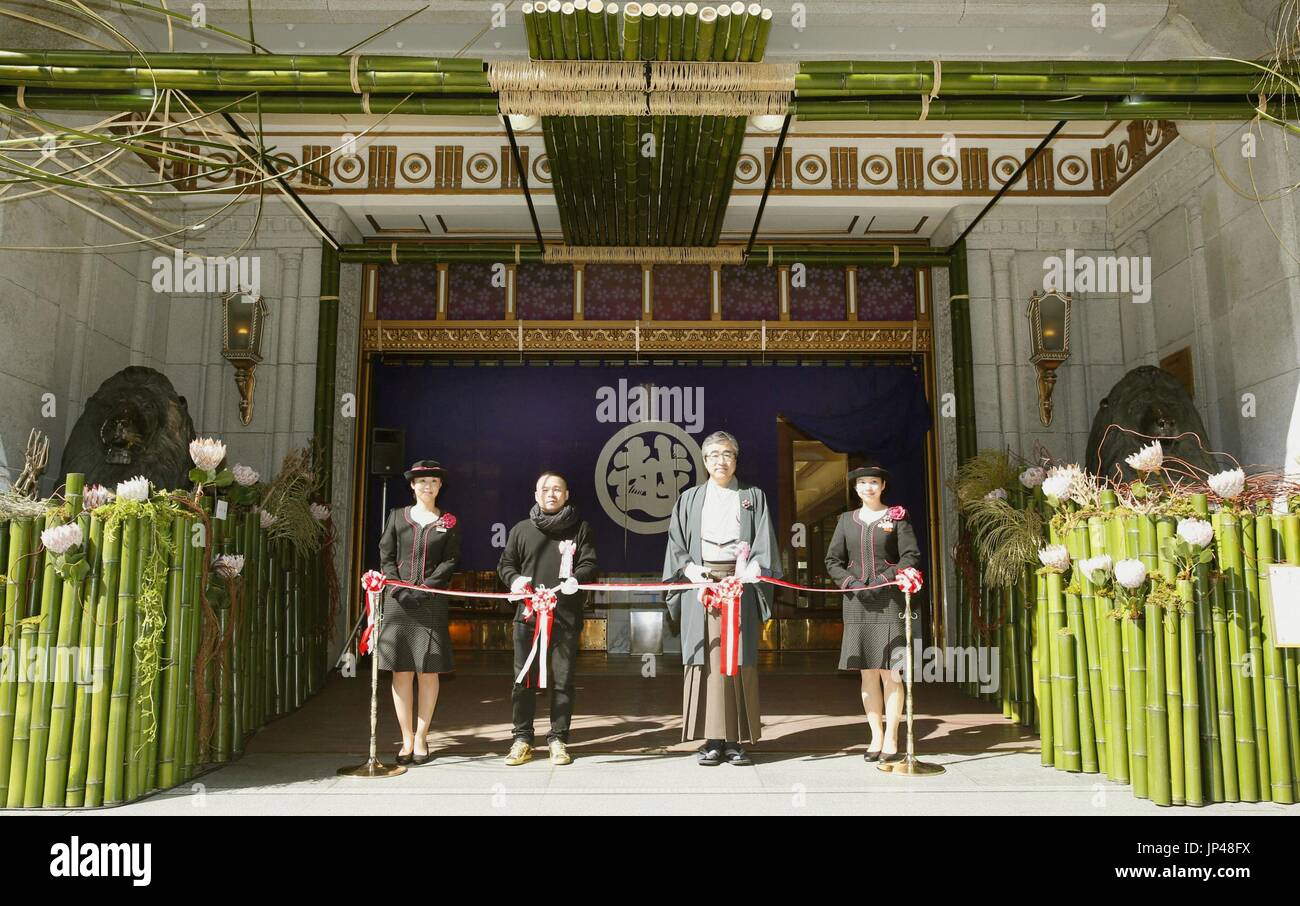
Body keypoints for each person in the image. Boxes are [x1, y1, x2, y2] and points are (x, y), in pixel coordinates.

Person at [662, 430, 781, 766]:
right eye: (713, 455)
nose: (720, 461)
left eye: (727, 454)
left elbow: (764, 542)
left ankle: (736, 739)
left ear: (736, 459)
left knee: (737, 657)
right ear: (704, 460)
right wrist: (689, 569)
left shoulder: (752, 496)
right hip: (702, 588)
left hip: (739, 586)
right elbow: (676, 545)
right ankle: (711, 740)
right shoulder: (688, 499)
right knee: (708, 659)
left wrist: (750, 570)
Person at [497, 471, 598, 766]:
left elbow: (590, 561)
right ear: (535, 495)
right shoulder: (521, 530)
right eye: (545, 489)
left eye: (557, 490)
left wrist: (577, 579)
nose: (550, 494)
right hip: (527, 617)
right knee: (522, 679)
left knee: (563, 680)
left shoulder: (581, 528)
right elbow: (505, 564)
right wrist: (514, 579)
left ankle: (558, 739)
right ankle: (522, 739)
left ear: (566, 495)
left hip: (565, 618)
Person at [824, 463, 921, 763]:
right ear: (855, 489)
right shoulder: (844, 520)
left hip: (889, 600)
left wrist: (884, 578)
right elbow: (832, 560)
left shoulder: (898, 518)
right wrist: (849, 583)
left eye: (874, 482)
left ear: (883, 487)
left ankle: (892, 737)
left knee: (891, 673)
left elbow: (910, 556)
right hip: (856, 602)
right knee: (867, 673)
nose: (868, 487)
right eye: (862, 483)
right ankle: (875, 737)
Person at [378, 459, 461, 766]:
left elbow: (451, 560)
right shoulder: (397, 517)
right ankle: (406, 738)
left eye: (434, 482)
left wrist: (427, 585)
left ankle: (423, 737)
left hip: (431, 600)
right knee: (401, 671)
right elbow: (386, 554)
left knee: (428, 671)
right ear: (412, 485)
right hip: (398, 600)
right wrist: (397, 586)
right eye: (422, 481)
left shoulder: (449, 521)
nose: (428, 486)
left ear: (440, 487)